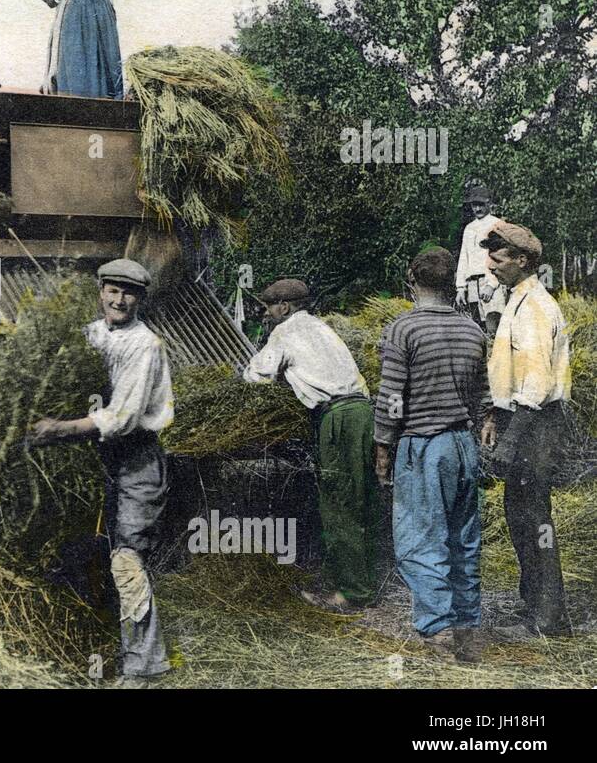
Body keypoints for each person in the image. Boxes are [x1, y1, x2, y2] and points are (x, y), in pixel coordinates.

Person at [28, 259, 174, 686]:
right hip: (96, 460)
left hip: (136, 459)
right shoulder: (90, 334)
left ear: (140, 299)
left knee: (127, 560)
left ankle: (144, 667)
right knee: (87, 551)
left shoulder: (145, 346)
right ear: (100, 292)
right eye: (112, 290)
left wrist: (59, 429)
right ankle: (92, 647)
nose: (119, 299)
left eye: (128, 293)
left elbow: (123, 417)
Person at [373, 248, 488, 662]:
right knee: (464, 539)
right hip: (463, 444)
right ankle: (467, 628)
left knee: (421, 539)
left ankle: (437, 632)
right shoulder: (472, 330)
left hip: (422, 444)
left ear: (411, 279)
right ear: (452, 284)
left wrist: (383, 447)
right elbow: (481, 395)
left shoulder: (403, 329)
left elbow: (391, 399)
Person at [243, 278, 380, 612]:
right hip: (364, 412)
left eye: (269, 307)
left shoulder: (285, 332)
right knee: (360, 499)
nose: (267, 314)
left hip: (337, 418)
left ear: (284, 307)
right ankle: (355, 579)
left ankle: (353, 594)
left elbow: (256, 375)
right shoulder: (324, 330)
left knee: (337, 502)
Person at [479, 221, 572, 637]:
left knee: (535, 520)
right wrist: (494, 418)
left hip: (535, 423)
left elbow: (536, 383)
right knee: (520, 516)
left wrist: (512, 438)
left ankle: (549, 618)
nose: (490, 265)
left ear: (521, 260)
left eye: (498, 258)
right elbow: (509, 374)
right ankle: (533, 604)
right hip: (521, 418)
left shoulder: (535, 306)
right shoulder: (516, 300)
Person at [455, 181, 505, 333]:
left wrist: (491, 284)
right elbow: (464, 257)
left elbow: (501, 257)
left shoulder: (498, 225)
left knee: (494, 325)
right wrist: (461, 288)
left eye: (481, 204)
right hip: (472, 284)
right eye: (474, 205)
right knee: (476, 328)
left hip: (490, 282)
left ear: (489, 204)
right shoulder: (469, 228)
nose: (477, 208)